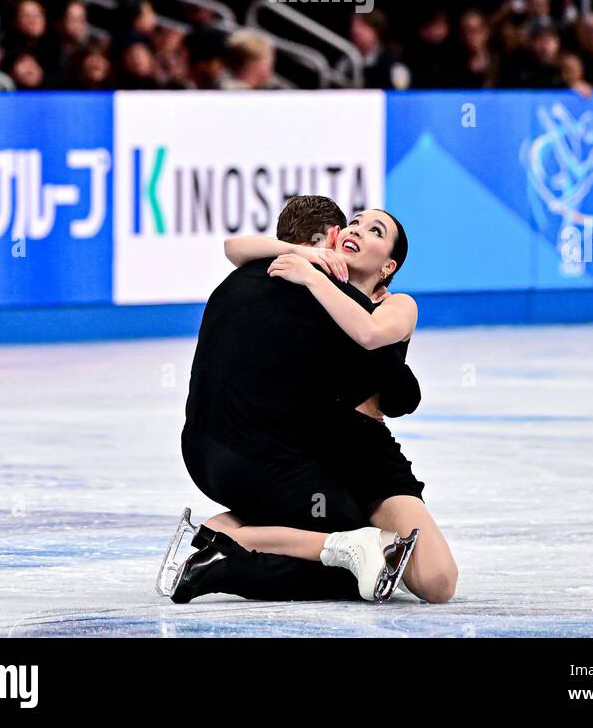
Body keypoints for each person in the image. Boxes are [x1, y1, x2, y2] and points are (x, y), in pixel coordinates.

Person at [161, 196, 457, 604]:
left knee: (437, 581)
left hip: (368, 460)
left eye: (376, 230)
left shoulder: (391, 304)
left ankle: (233, 537)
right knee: (350, 557)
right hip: (310, 459)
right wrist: (301, 258)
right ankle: (235, 551)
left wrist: (311, 275)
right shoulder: (303, 292)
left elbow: (381, 354)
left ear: (388, 266)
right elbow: (235, 249)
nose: (358, 229)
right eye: (354, 222)